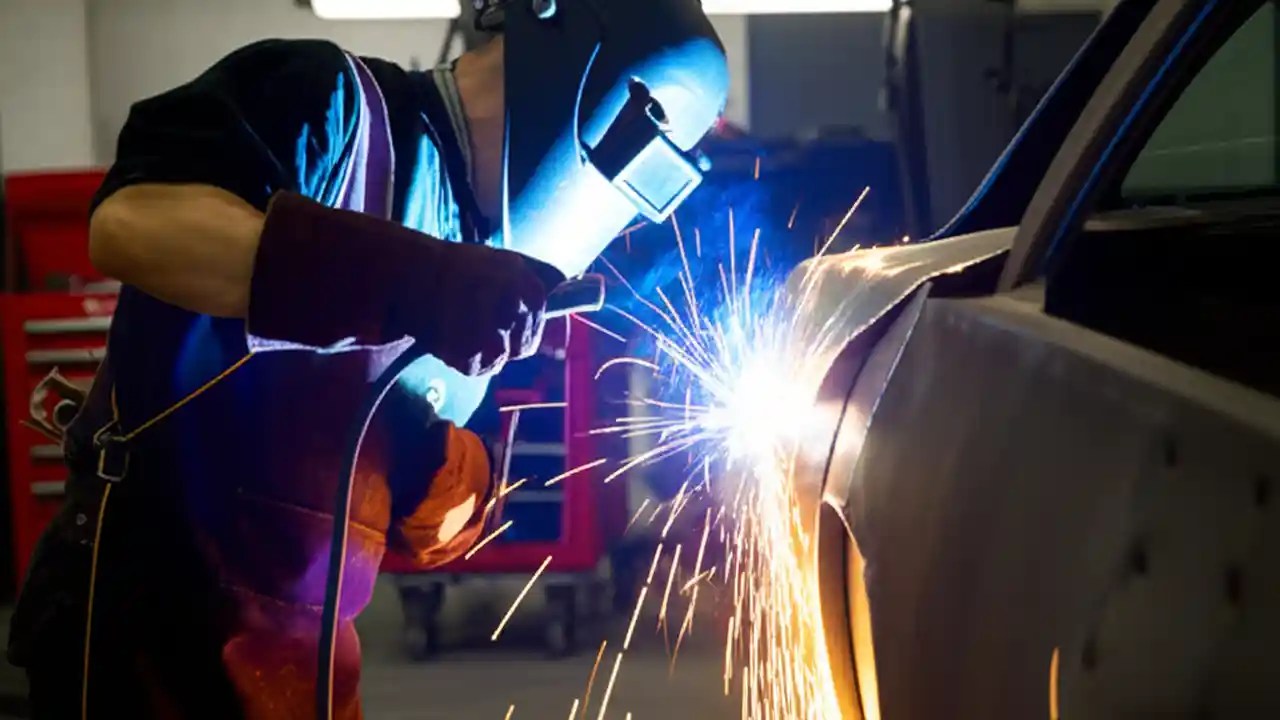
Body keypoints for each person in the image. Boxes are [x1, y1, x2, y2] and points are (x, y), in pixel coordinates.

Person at [6, 1, 729, 718]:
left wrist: (453, 482)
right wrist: (413, 281)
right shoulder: (330, 106)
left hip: (303, 677)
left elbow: (430, 528)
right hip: (143, 644)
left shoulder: (489, 266)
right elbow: (131, 225)